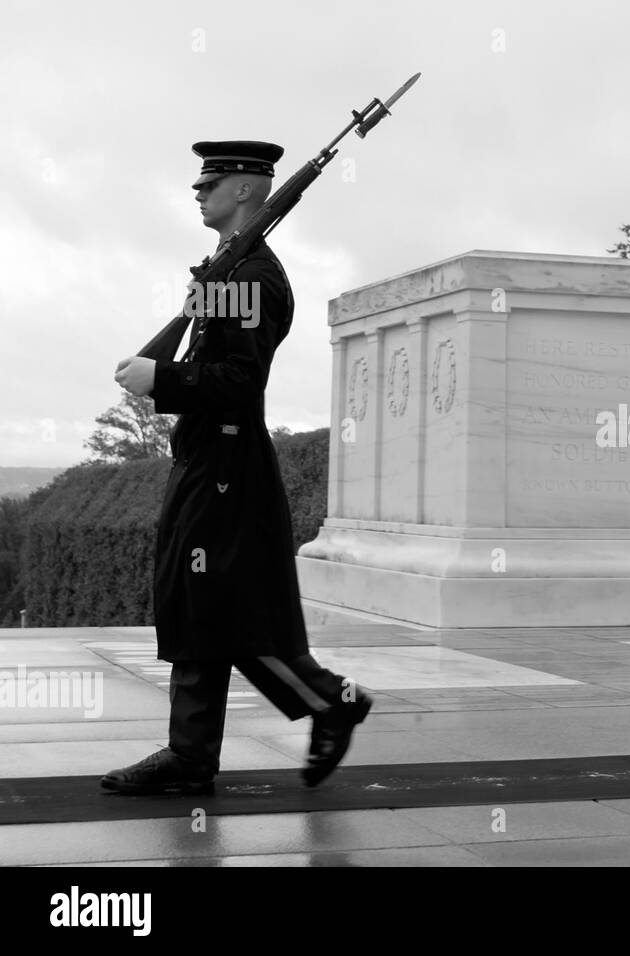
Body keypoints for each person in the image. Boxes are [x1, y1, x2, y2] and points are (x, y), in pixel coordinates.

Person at [104, 141, 372, 795]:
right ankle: (193, 753)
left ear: (248, 190)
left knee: (220, 603)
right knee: (206, 603)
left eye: (212, 181)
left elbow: (237, 379)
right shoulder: (229, 269)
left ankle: (320, 704)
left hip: (226, 462)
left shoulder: (250, 277)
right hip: (209, 455)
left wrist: (161, 376)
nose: (199, 191)